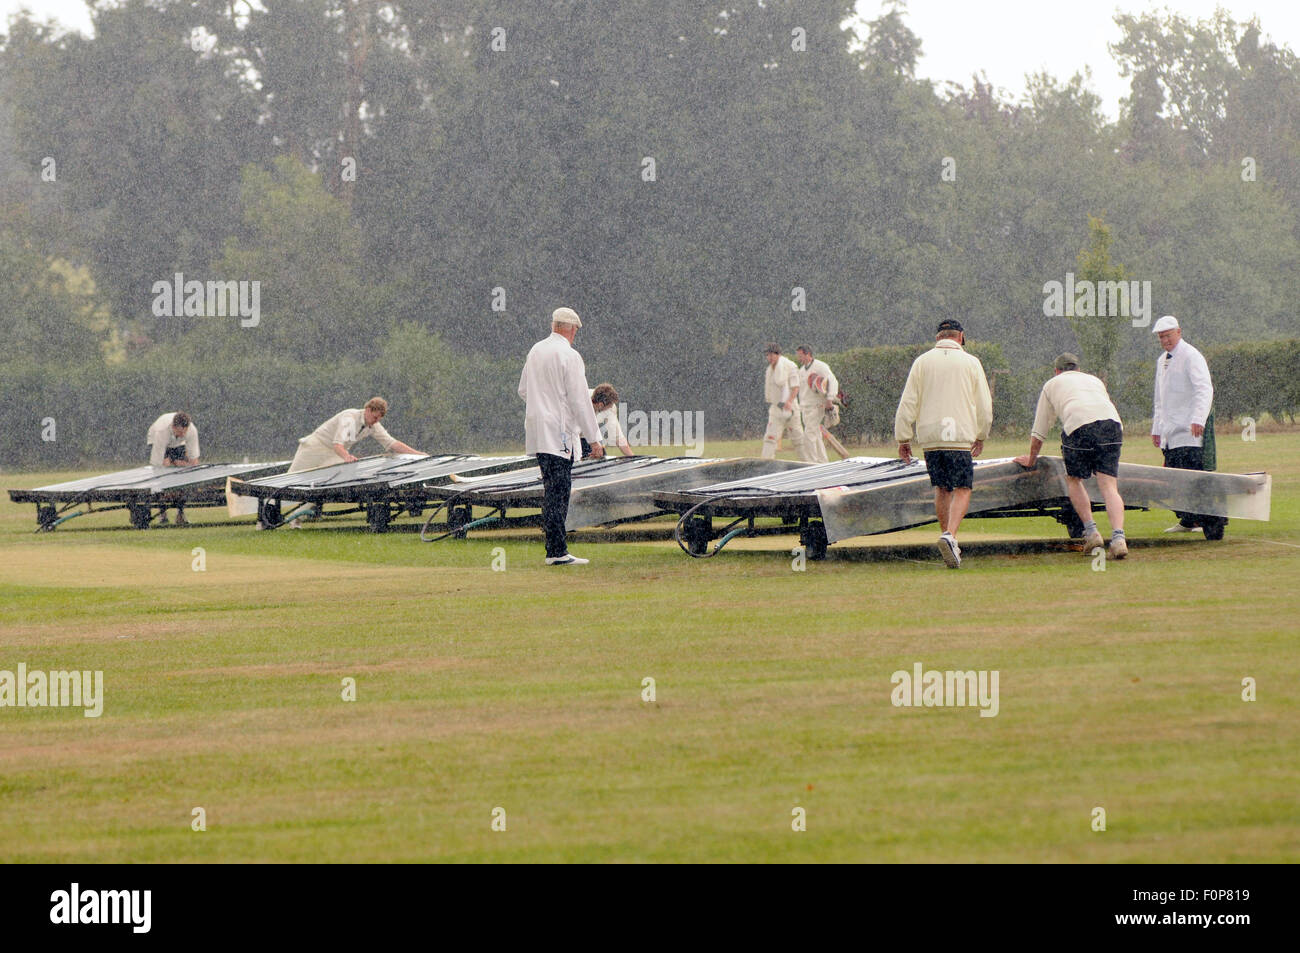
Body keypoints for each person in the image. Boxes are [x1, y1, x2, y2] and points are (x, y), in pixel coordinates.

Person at [894, 319, 993, 569]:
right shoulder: (971, 362)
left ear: (939, 337)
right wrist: (981, 434)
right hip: (959, 434)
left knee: (941, 487)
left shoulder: (922, 362)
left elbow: (908, 402)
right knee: (963, 487)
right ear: (961, 336)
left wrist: (903, 437)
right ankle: (950, 535)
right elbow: (983, 404)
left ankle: (948, 540)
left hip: (931, 435)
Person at [1013, 354, 1127, 558]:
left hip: (1078, 425)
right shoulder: (1094, 380)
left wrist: (1031, 458)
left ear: (1057, 371)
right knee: (1109, 485)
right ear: (1078, 369)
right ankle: (1119, 538)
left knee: (1074, 480)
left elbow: (1040, 430)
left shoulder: (1052, 384)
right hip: (1113, 425)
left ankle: (1092, 532)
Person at [518, 307, 604, 565]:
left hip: (537, 429)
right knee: (559, 492)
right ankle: (556, 552)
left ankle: (554, 548)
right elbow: (580, 400)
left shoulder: (536, 350)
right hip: (559, 432)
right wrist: (594, 439)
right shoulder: (570, 355)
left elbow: (523, 389)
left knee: (550, 490)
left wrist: (542, 405)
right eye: (576, 331)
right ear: (571, 329)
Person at [1149, 315, 1225, 537]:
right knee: (1174, 481)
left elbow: (1204, 389)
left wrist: (1198, 419)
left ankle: (1209, 522)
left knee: (1194, 479)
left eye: (1168, 335)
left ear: (1179, 332)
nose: (1165, 340)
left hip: (1189, 432)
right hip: (1170, 432)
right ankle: (1188, 520)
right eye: (1161, 337)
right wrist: (1156, 428)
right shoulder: (1161, 360)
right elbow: (1159, 398)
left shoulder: (1192, 355)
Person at [289, 397, 422, 474]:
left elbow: (392, 444)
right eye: (375, 417)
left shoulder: (373, 425)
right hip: (314, 448)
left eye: (379, 419)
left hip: (334, 454)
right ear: (368, 410)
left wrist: (419, 455)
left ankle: (296, 520)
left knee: (325, 482)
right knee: (291, 480)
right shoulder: (350, 418)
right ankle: (270, 511)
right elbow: (337, 444)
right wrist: (347, 456)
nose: (376, 421)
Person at [146, 411, 200, 526]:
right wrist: (171, 462)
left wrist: (191, 477)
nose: (182, 435)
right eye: (180, 432)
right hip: (157, 442)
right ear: (173, 427)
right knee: (162, 475)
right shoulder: (161, 431)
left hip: (176, 445)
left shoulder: (191, 431)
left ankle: (180, 514)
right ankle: (162, 513)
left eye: (184, 432)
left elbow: (194, 460)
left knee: (183, 476)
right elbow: (158, 465)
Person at [794, 345, 839, 464]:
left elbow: (832, 381)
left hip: (818, 406)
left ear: (808, 354)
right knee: (816, 434)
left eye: (800, 355)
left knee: (809, 434)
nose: (799, 358)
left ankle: (811, 463)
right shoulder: (802, 370)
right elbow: (802, 391)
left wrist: (829, 399)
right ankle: (822, 462)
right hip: (805, 407)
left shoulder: (820, 366)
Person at [761, 343, 804, 459]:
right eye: (767, 355)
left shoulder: (790, 366)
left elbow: (795, 387)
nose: (769, 358)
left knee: (798, 440)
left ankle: (808, 465)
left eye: (771, 355)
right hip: (776, 408)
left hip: (791, 409)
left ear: (778, 354)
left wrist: (789, 402)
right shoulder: (769, 370)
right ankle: (766, 464)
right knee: (770, 438)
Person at [589, 383, 634, 457]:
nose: (611, 408)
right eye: (609, 407)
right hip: (571, 434)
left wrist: (633, 459)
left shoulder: (610, 408)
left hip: (591, 436)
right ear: (600, 405)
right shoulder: (581, 401)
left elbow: (619, 438)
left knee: (601, 462)